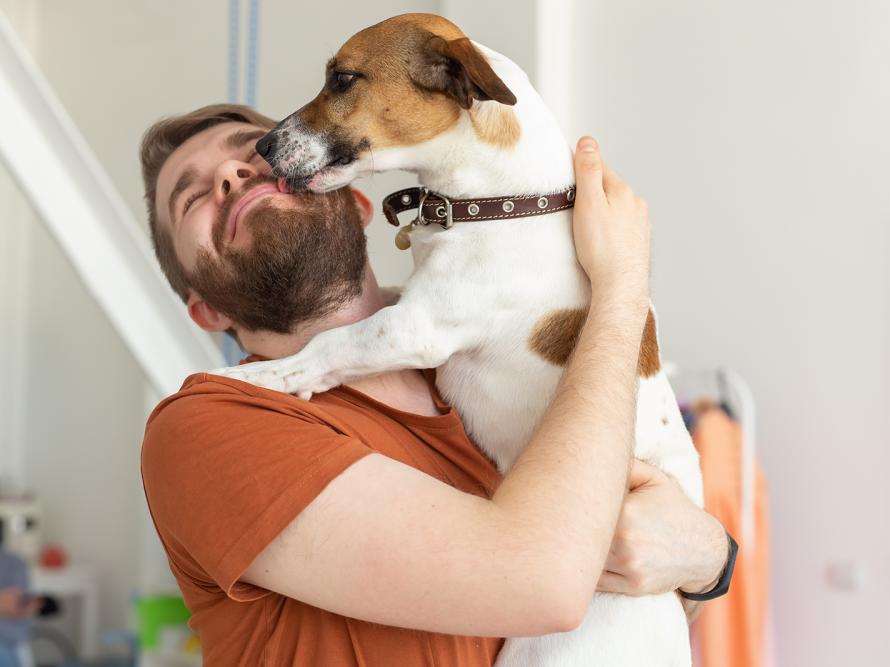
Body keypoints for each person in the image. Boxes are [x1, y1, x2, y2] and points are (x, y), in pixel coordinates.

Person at [140, 104, 730, 666]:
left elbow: (624, 615)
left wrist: (708, 564)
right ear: (205, 312)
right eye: (191, 195)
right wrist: (622, 282)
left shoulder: (498, 373)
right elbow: (544, 582)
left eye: (258, 153)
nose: (232, 174)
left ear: (355, 198)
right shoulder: (211, 426)